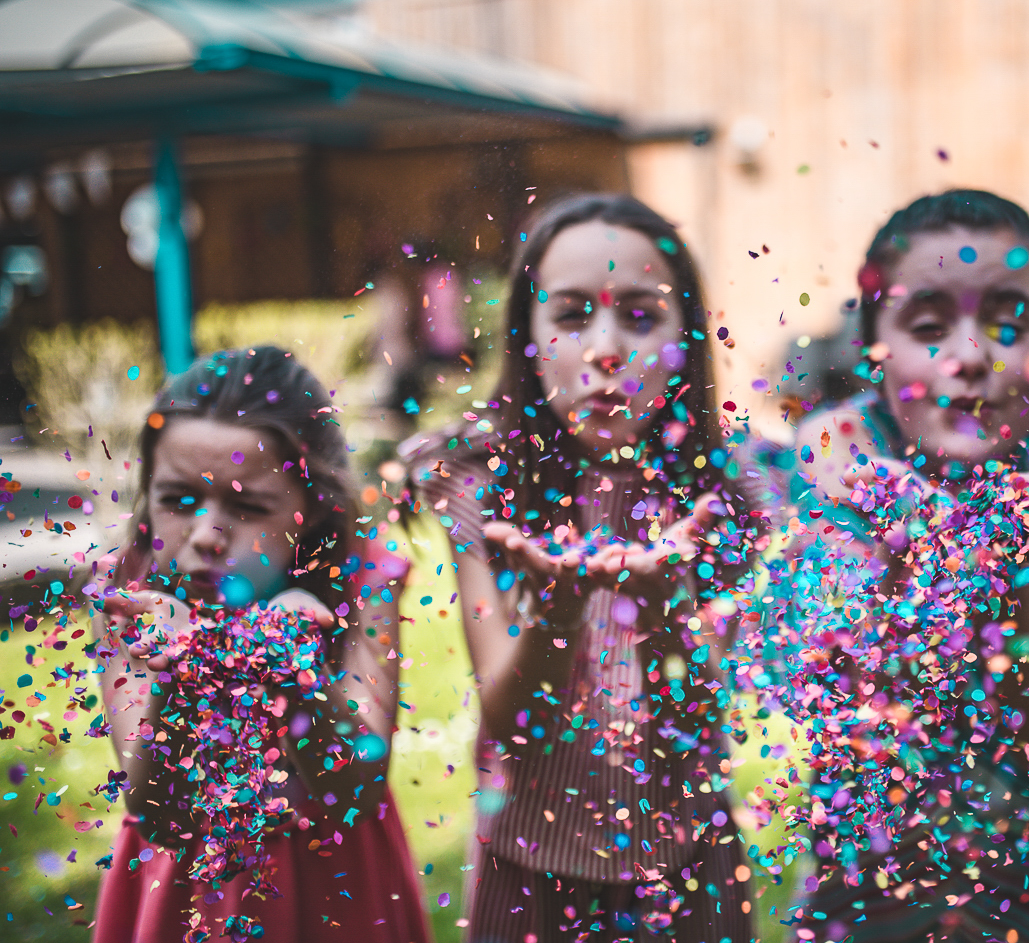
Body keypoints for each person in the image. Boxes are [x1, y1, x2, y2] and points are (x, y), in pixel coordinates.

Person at [766, 189, 1029, 943]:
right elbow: (844, 694)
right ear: (876, 345)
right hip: (872, 886)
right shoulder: (840, 444)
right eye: (929, 325)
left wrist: (1017, 579)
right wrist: (924, 559)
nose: (970, 356)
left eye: (1009, 321)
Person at [404, 194, 761, 943]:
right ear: (527, 338)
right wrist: (558, 616)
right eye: (571, 315)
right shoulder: (483, 483)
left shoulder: (724, 495)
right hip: (527, 869)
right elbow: (513, 723)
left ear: (685, 338)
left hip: (686, 869)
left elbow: (692, 727)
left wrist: (663, 617)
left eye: (639, 316)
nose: (605, 349)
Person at [91, 348, 429, 943]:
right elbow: (158, 815)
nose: (205, 536)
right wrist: (178, 673)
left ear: (314, 513)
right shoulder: (130, 595)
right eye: (178, 499)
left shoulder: (360, 584)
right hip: (189, 894)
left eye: (246, 506)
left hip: (337, 891)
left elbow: (354, 790)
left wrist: (291, 672)